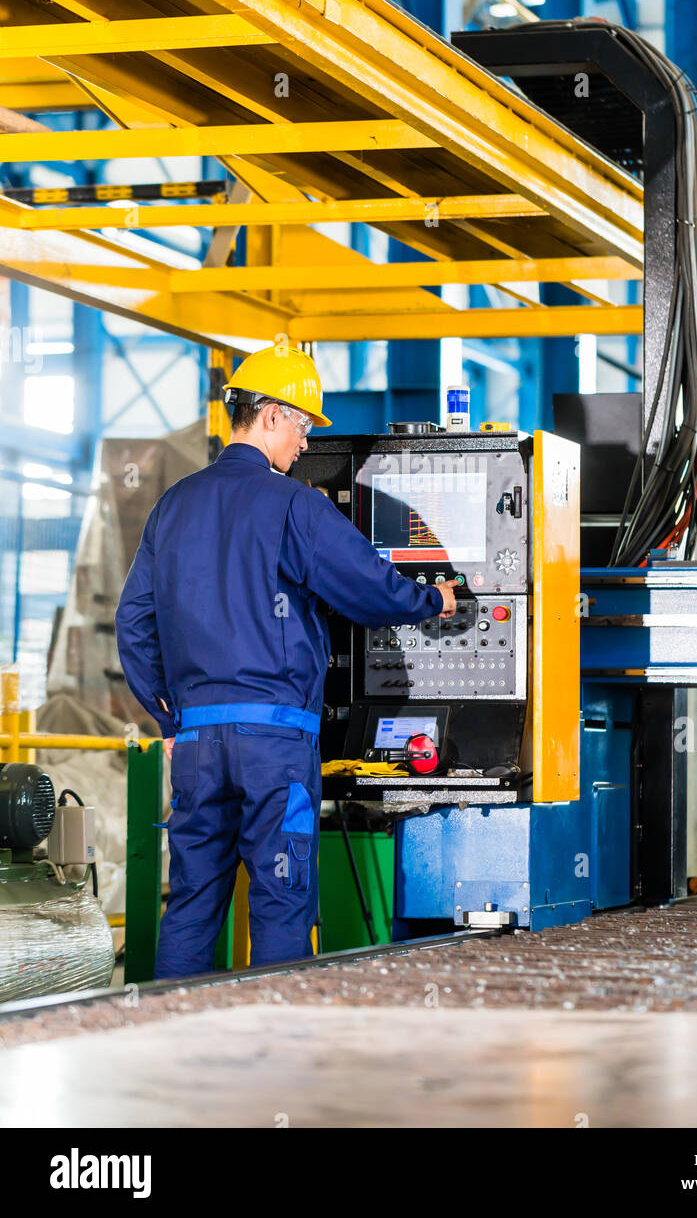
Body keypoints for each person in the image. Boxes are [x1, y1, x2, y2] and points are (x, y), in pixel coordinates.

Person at [116, 343, 457, 977]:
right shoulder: (295, 505)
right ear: (269, 415)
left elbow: (133, 623)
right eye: (302, 425)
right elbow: (366, 586)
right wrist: (431, 599)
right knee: (281, 900)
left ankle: (169, 1045)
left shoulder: (172, 507)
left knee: (192, 900)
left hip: (196, 743)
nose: (304, 444)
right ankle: (279, 1053)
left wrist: (169, 719)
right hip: (274, 744)